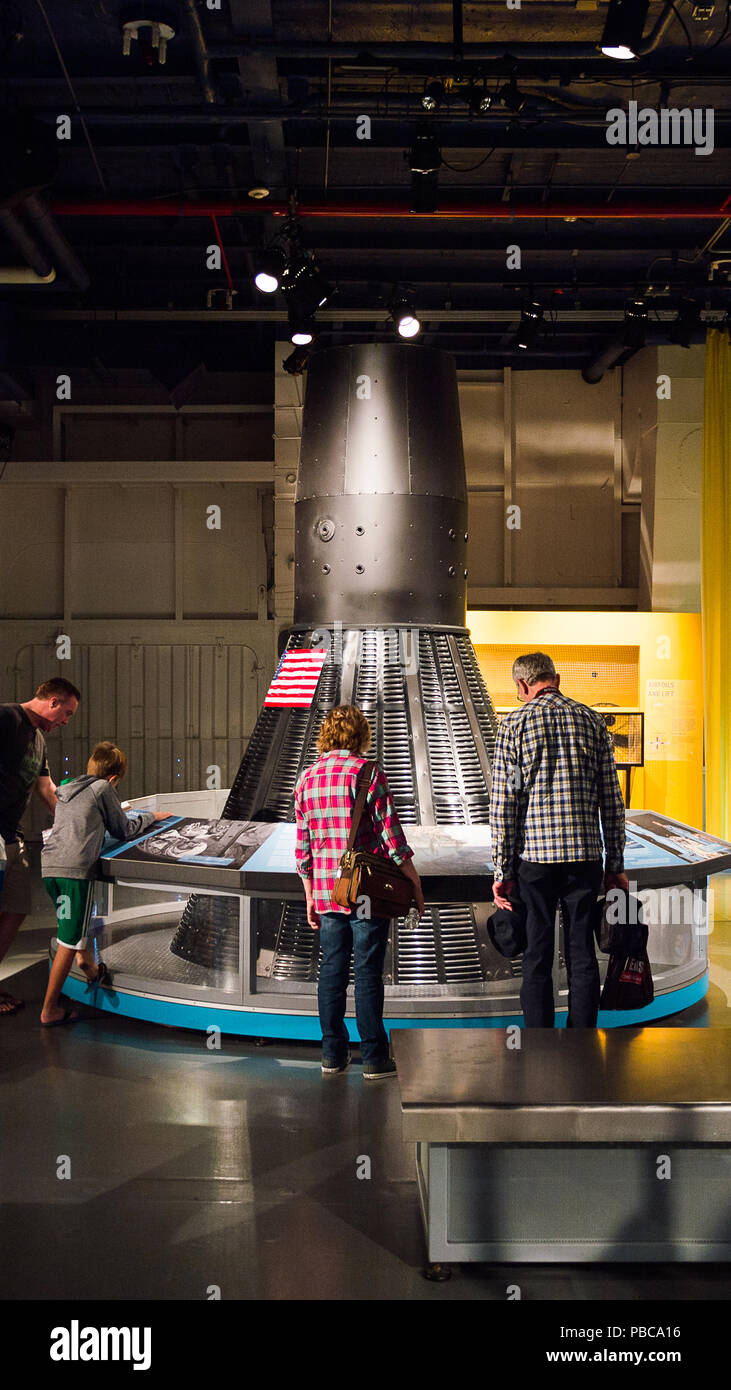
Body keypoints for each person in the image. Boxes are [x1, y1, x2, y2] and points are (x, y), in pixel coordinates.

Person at [489, 652, 628, 1028]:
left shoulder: (514, 726)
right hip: (584, 860)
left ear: (522, 685)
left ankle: (538, 1040)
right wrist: (615, 865)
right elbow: (611, 800)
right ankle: (582, 1040)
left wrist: (502, 869)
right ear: (557, 678)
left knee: (537, 952)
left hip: (534, 862)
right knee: (581, 951)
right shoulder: (592, 721)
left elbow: (506, 803)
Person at [294, 705, 424, 1079]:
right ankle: (374, 1058)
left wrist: (309, 895)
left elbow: (304, 851)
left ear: (326, 736)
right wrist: (414, 882)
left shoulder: (306, 780)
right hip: (365, 893)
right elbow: (392, 839)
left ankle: (332, 1055)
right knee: (367, 971)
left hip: (327, 893)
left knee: (331, 971)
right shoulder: (367, 774)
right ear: (360, 736)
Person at [39, 740, 171, 1026]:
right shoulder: (103, 789)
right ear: (113, 778)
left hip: (50, 867)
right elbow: (123, 830)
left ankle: (88, 966)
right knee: (68, 940)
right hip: (75, 871)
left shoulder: (67, 787)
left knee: (71, 929)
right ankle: (49, 1009)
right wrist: (151, 817)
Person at [0, 678, 81, 1016]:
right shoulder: (6, 719)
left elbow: (46, 789)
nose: (65, 722)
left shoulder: (39, 741)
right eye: (67, 713)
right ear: (52, 701)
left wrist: (76, 816)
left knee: (17, 907)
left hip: (11, 836)